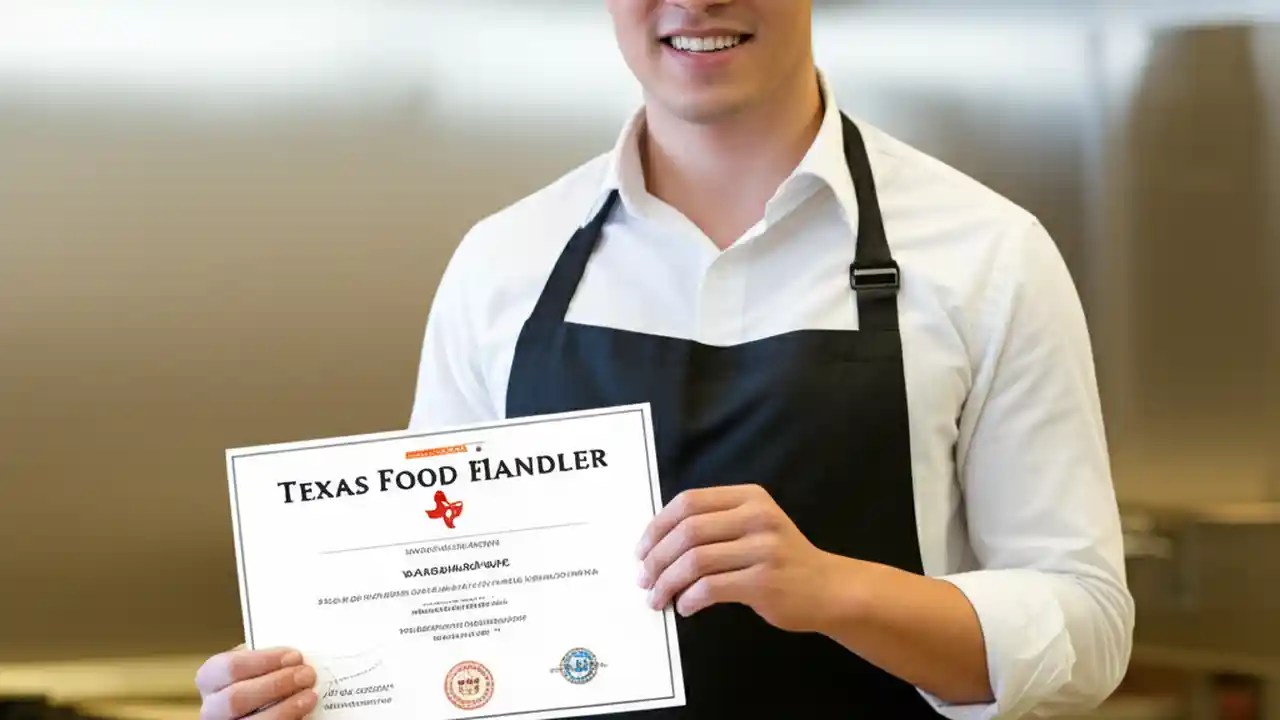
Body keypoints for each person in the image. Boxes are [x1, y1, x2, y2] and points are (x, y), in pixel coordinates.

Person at [195, 0, 1134, 717]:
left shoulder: (989, 253)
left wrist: (838, 590)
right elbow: (444, 621)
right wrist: (315, 686)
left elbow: (1087, 628)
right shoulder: (503, 262)